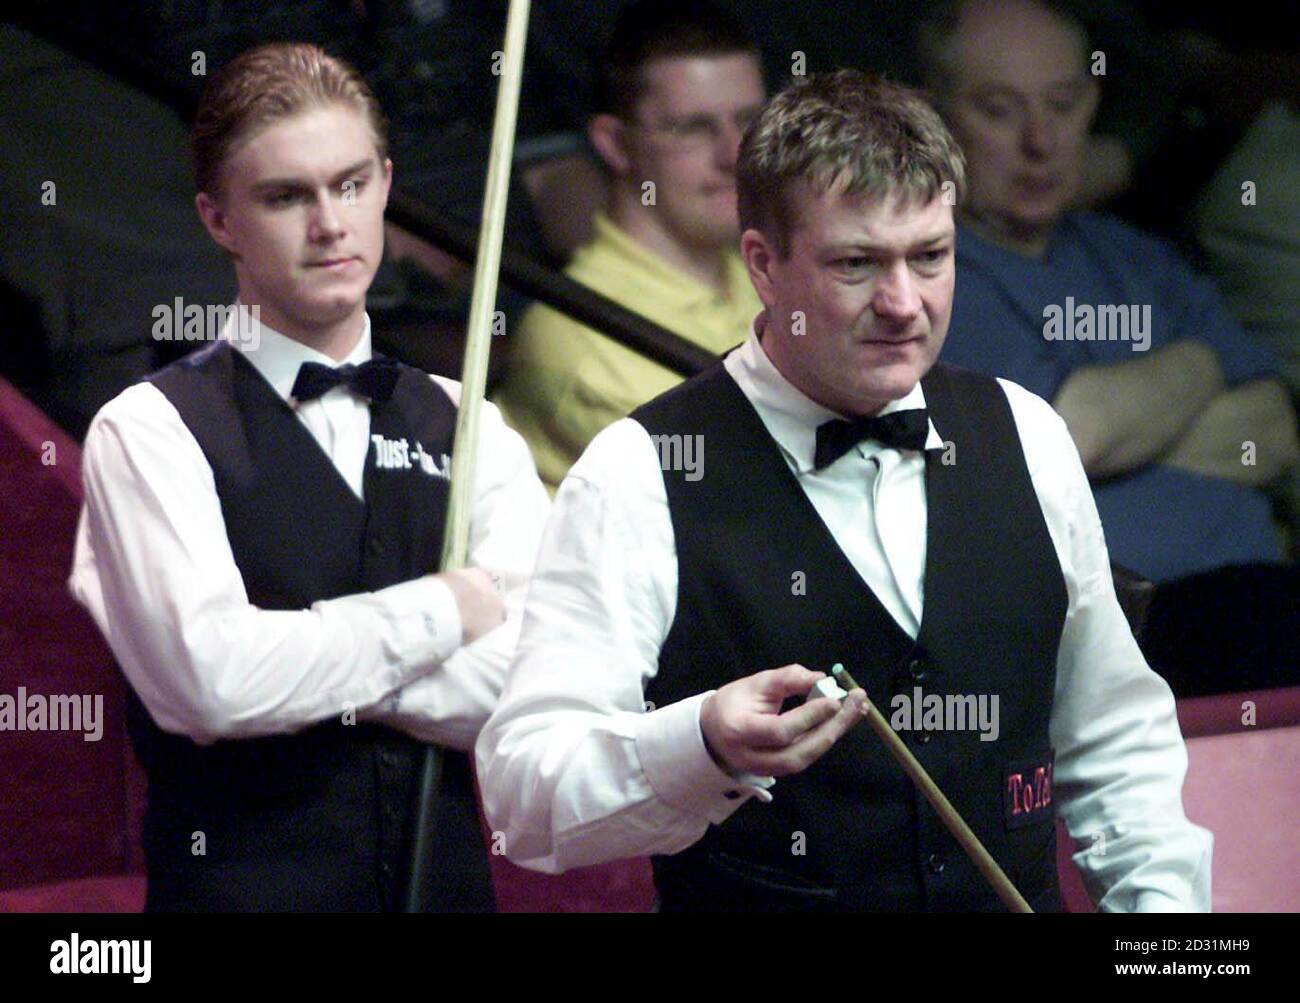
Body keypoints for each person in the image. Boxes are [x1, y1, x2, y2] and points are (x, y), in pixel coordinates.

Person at [476, 69, 1212, 912]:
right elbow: (524, 796)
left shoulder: (1026, 433)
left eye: (930, 257)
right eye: (857, 263)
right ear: (764, 264)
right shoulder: (641, 471)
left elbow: (1115, 734)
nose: (905, 303)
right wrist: (699, 741)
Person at [67, 43, 550, 912]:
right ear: (217, 219)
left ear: (386, 182)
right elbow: (210, 682)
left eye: (351, 184)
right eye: (286, 196)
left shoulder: (467, 420)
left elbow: (538, 676)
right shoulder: (149, 429)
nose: (330, 223)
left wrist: (298, 671)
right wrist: (447, 610)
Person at [919, 0, 1299, 696]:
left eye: (1063, 104)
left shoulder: (1138, 256)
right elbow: (1070, 434)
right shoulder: (927, 274)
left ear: (1094, 101)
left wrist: (1105, 454)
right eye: (1000, 110)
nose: (1042, 141)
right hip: (1123, 635)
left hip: (1262, 598)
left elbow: (1273, 432)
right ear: (933, 115)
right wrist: (1201, 361)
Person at [491, 1, 766, 491]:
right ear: (616, 143)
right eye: (693, 128)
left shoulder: (769, 272)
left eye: (749, 120)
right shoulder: (581, 335)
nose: (733, 154)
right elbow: (748, 500)